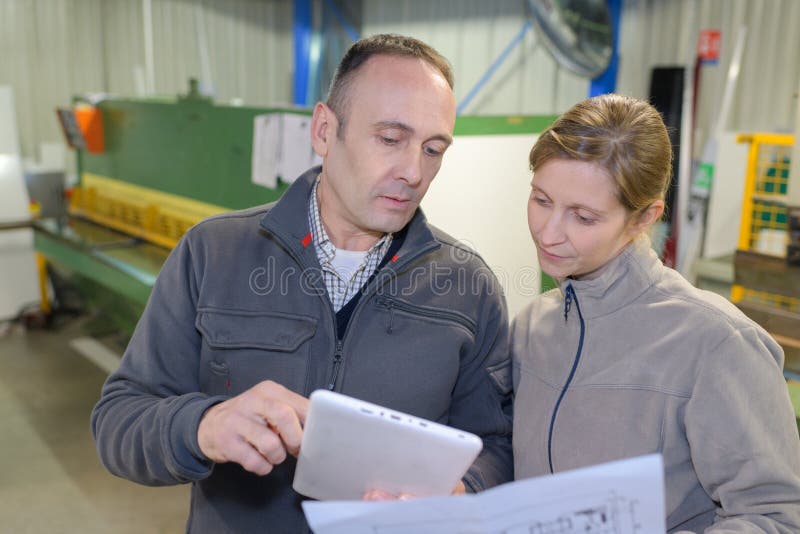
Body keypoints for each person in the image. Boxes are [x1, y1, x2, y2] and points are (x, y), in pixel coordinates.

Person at [91, 34, 513, 533]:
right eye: (390, 138)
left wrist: (461, 493)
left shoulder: (469, 287)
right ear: (324, 130)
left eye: (433, 148)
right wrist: (202, 426)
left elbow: (498, 447)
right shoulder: (213, 253)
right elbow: (118, 421)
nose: (413, 171)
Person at [512, 94, 800, 532]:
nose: (548, 233)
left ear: (644, 217)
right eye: (541, 199)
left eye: (583, 217)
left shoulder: (718, 344)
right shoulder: (532, 328)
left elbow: (778, 516)